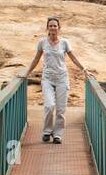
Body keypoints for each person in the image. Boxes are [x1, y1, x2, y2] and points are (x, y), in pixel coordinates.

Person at [20, 16, 91, 144]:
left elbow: (73, 58)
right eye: (51, 25)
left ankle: (57, 134)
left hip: (62, 79)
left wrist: (84, 69)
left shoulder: (65, 43)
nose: (53, 28)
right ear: (47, 28)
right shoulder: (42, 43)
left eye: (55, 26)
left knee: (61, 109)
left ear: (59, 28)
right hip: (47, 78)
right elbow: (36, 59)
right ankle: (47, 131)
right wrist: (26, 73)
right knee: (49, 105)